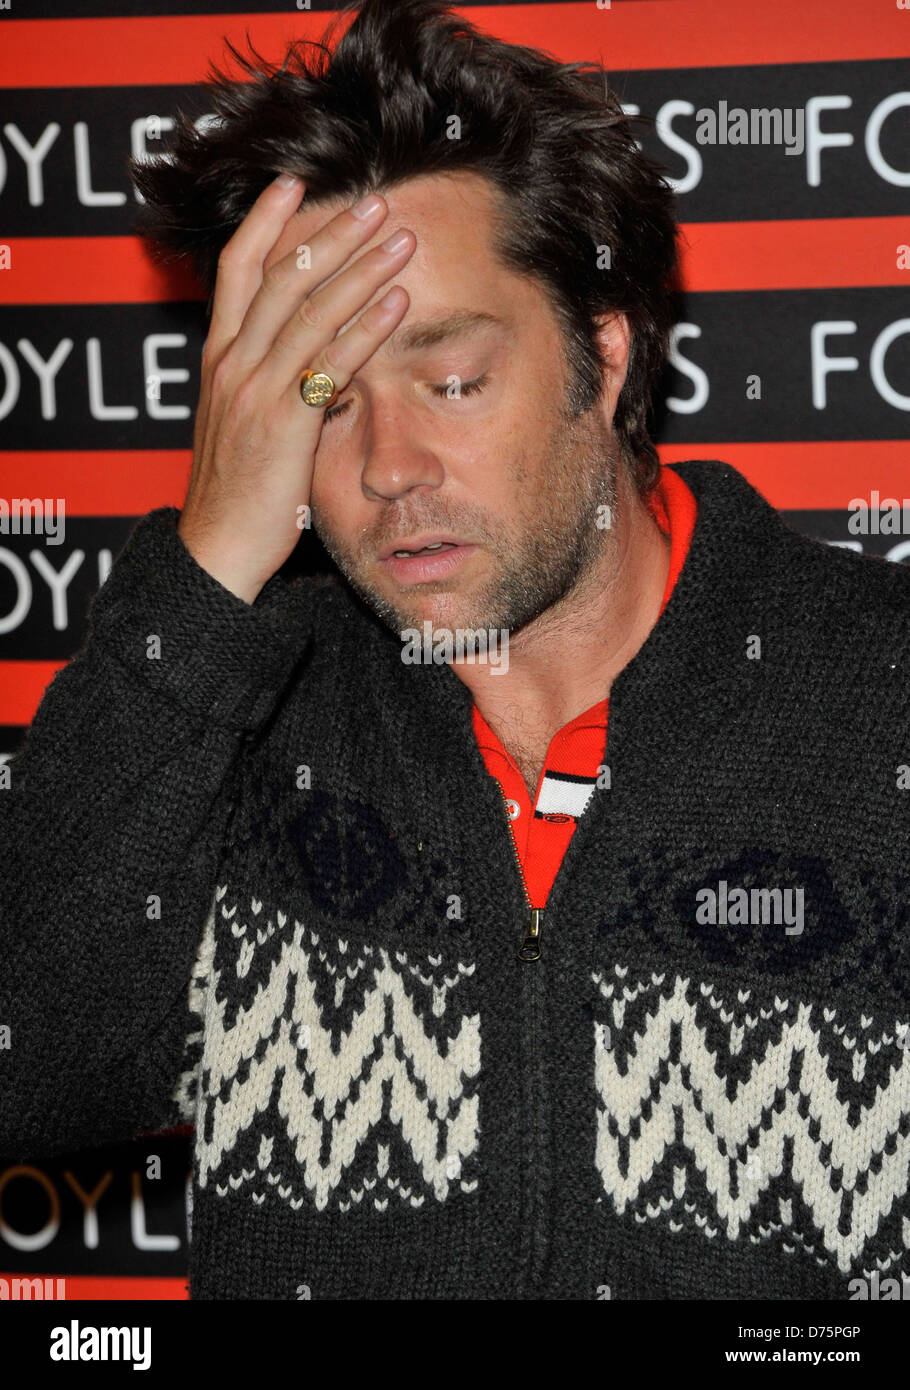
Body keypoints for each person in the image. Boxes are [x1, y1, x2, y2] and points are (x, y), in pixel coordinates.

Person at [2, 0, 909, 1302]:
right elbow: (26, 1076)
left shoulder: (878, 702)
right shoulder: (238, 714)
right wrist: (206, 571)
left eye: (451, 380)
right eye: (321, 398)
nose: (384, 469)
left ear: (602, 360)